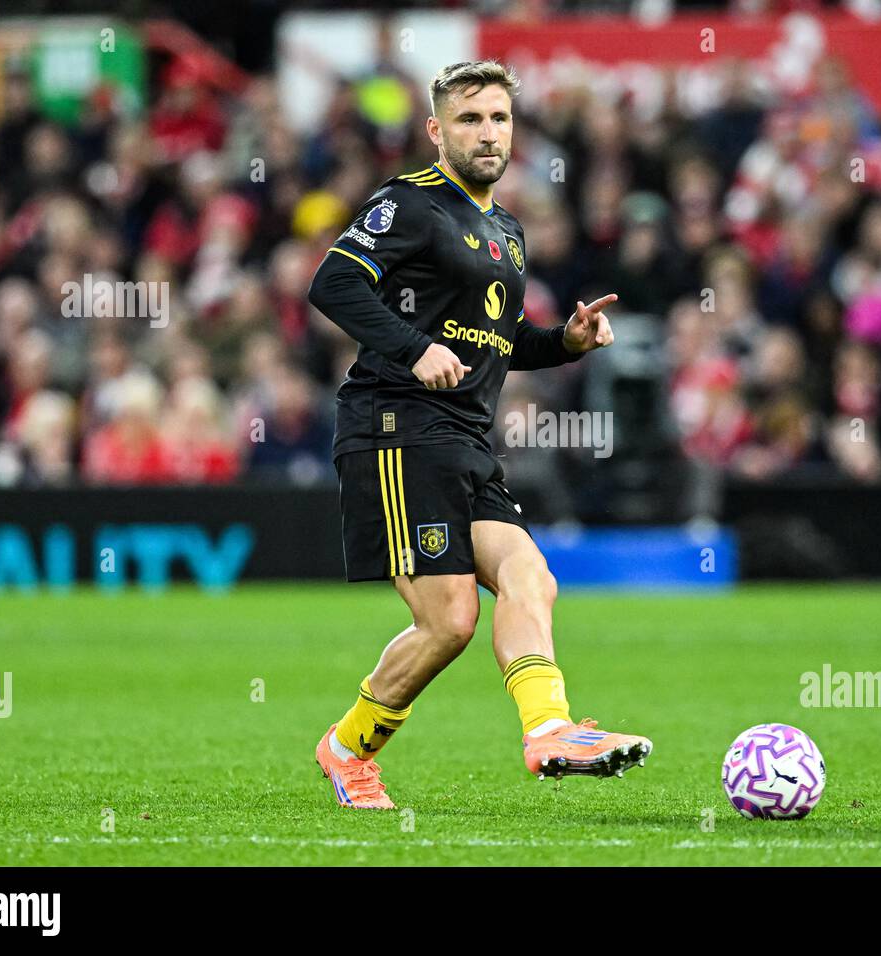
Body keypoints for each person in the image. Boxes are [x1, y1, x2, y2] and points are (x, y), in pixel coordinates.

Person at [306, 61, 652, 810]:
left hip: (466, 438)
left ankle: (549, 730)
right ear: (437, 131)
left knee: (533, 579)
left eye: (498, 118)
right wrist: (412, 347)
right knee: (451, 621)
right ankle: (346, 749)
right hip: (395, 427)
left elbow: (498, 342)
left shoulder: (507, 230)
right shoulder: (409, 204)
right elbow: (332, 283)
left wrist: (565, 341)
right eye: (469, 119)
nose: (487, 132)